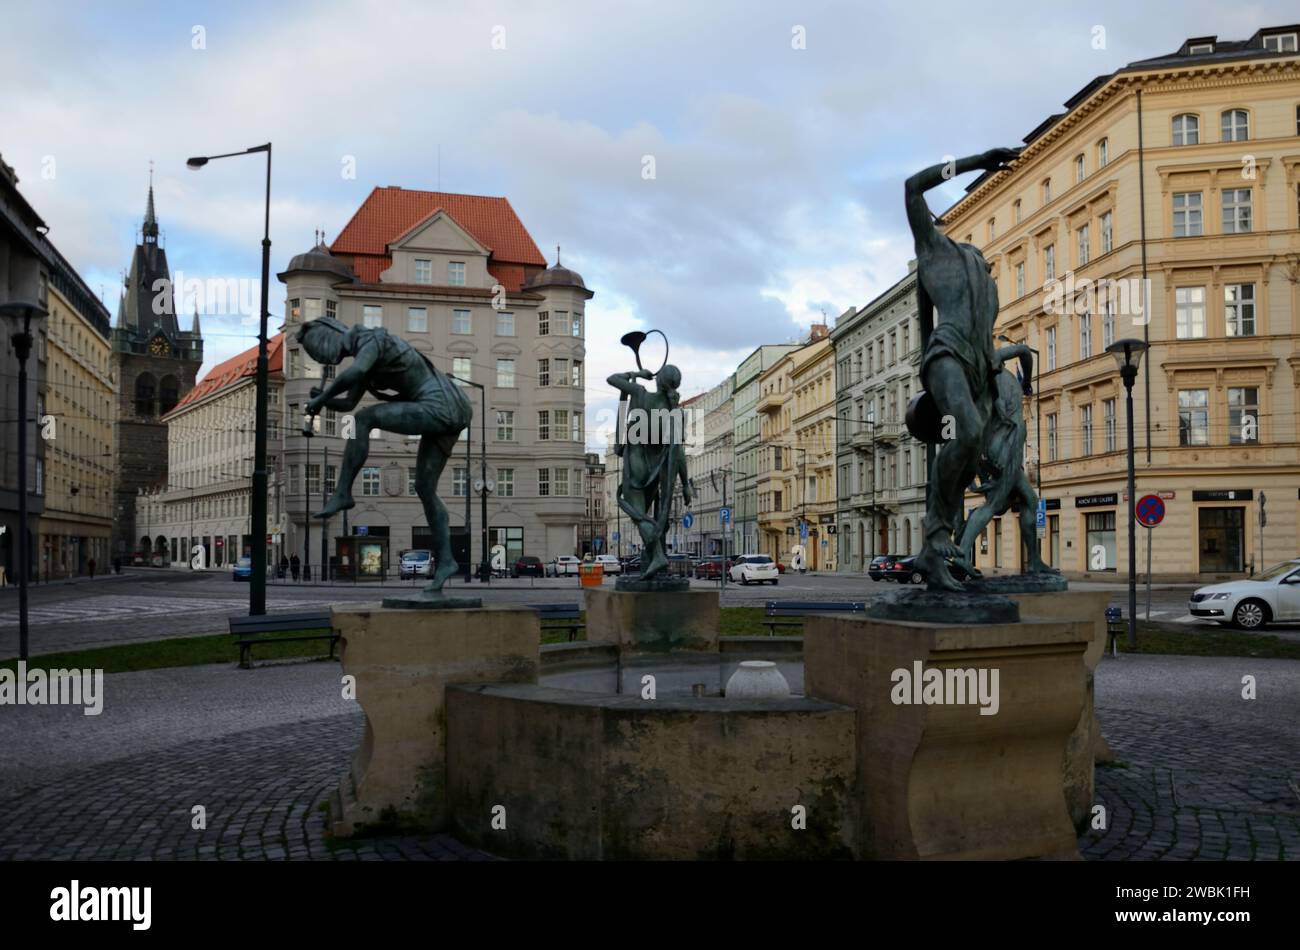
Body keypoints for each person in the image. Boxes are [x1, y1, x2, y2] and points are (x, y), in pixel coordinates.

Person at [904, 146, 1022, 591]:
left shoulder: (984, 281)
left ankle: (942, 543)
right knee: (966, 432)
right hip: (945, 356)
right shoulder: (933, 250)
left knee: (970, 447)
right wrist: (976, 163)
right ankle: (933, 541)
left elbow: (990, 346)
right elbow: (913, 186)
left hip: (976, 367)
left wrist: (1006, 366)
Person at [297, 316, 472, 593]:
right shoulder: (366, 359)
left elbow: (352, 376)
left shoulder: (372, 339)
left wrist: (320, 398)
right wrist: (324, 399)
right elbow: (348, 403)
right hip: (451, 409)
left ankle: (343, 492)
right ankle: (447, 561)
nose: (331, 358)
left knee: (364, 419)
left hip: (440, 402)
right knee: (425, 488)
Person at [956, 348, 1058, 576]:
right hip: (1005, 447)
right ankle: (962, 553)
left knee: (1030, 500)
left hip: (999, 445)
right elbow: (1024, 351)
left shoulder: (973, 378)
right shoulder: (991, 360)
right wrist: (1028, 381)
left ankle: (1033, 562)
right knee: (995, 505)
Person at [607, 363, 691, 581]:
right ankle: (656, 558)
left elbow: (612, 379)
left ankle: (657, 557)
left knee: (638, 514)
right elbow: (678, 452)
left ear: (658, 380)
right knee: (650, 517)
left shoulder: (641, 393)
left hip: (636, 467)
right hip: (657, 473)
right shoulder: (675, 413)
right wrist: (686, 484)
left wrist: (635, 374)